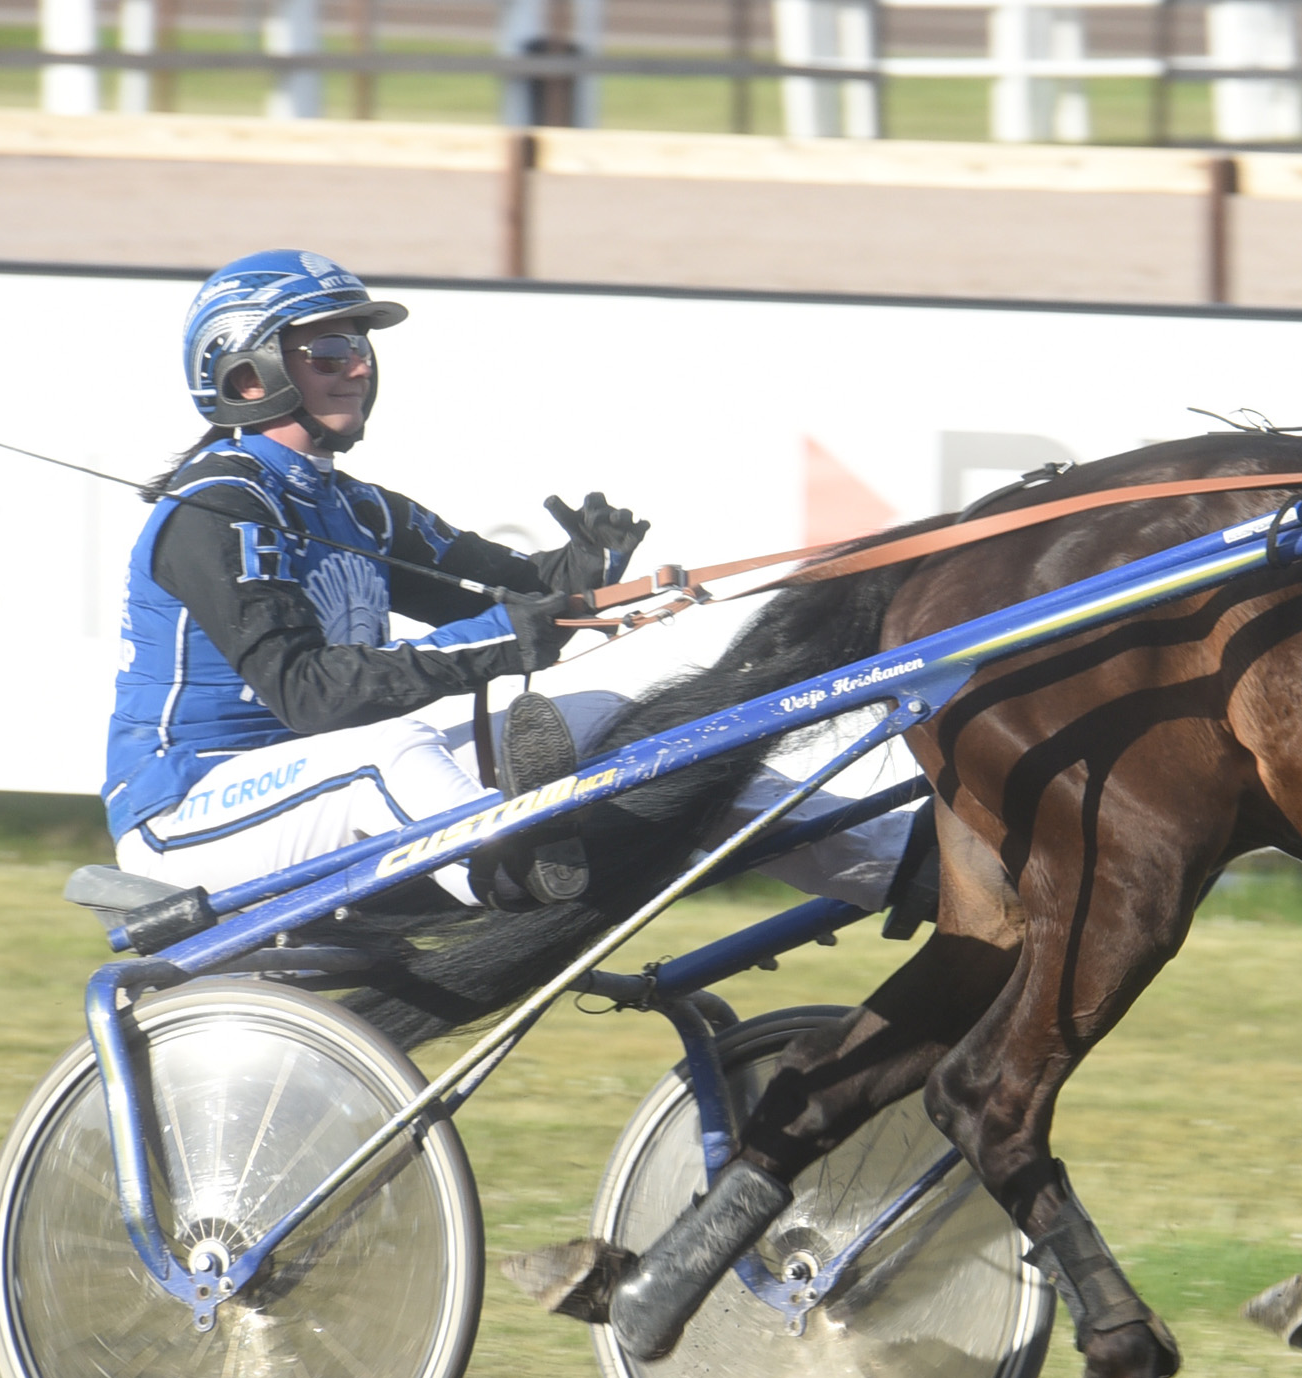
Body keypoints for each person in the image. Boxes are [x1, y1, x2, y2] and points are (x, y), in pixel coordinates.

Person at [105, 249, 905, 914]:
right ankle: (517, 879)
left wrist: (576, 573)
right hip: (188, 813)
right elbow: (312, 696)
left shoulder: (355, 509)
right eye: (326, 352)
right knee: (385, 753)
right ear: (247, 374)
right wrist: (501, 639)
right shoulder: (215, 510)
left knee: (619, 720)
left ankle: (897, 865)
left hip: (310, 794)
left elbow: (505, 598)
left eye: (359, 348)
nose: (355, 368)